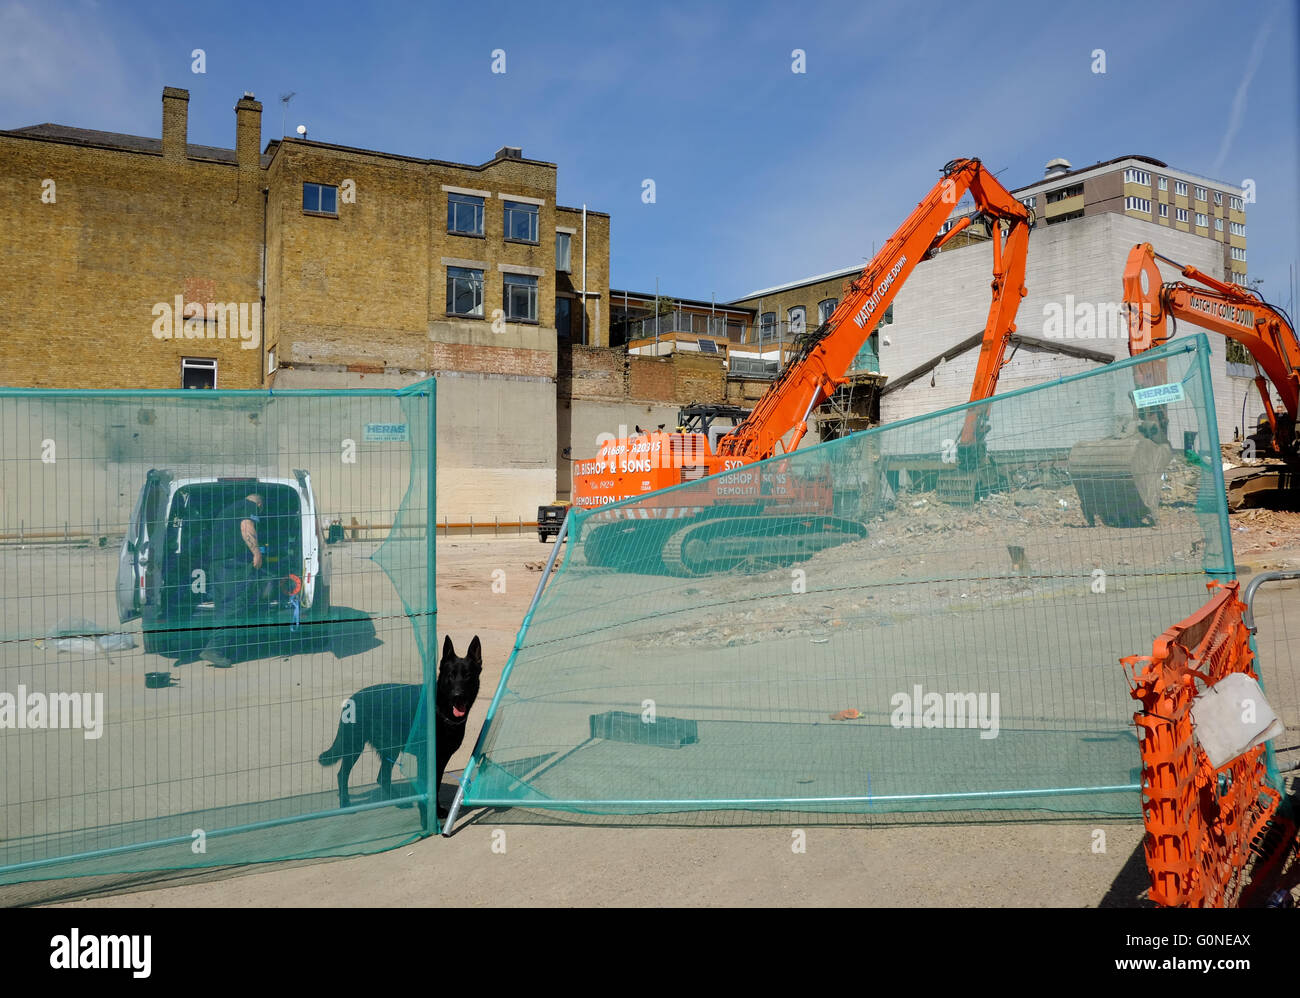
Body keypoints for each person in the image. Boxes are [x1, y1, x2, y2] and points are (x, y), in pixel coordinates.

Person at [199, 492, 265, 667]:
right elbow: (246, 527)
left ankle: (221, 647)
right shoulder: (249, 506)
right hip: (233, 564)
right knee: (234, 605)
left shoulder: (227, 511)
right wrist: (256, 552)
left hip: (218, 564)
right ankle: (214, 649)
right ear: (259, 505)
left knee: (223, 606)